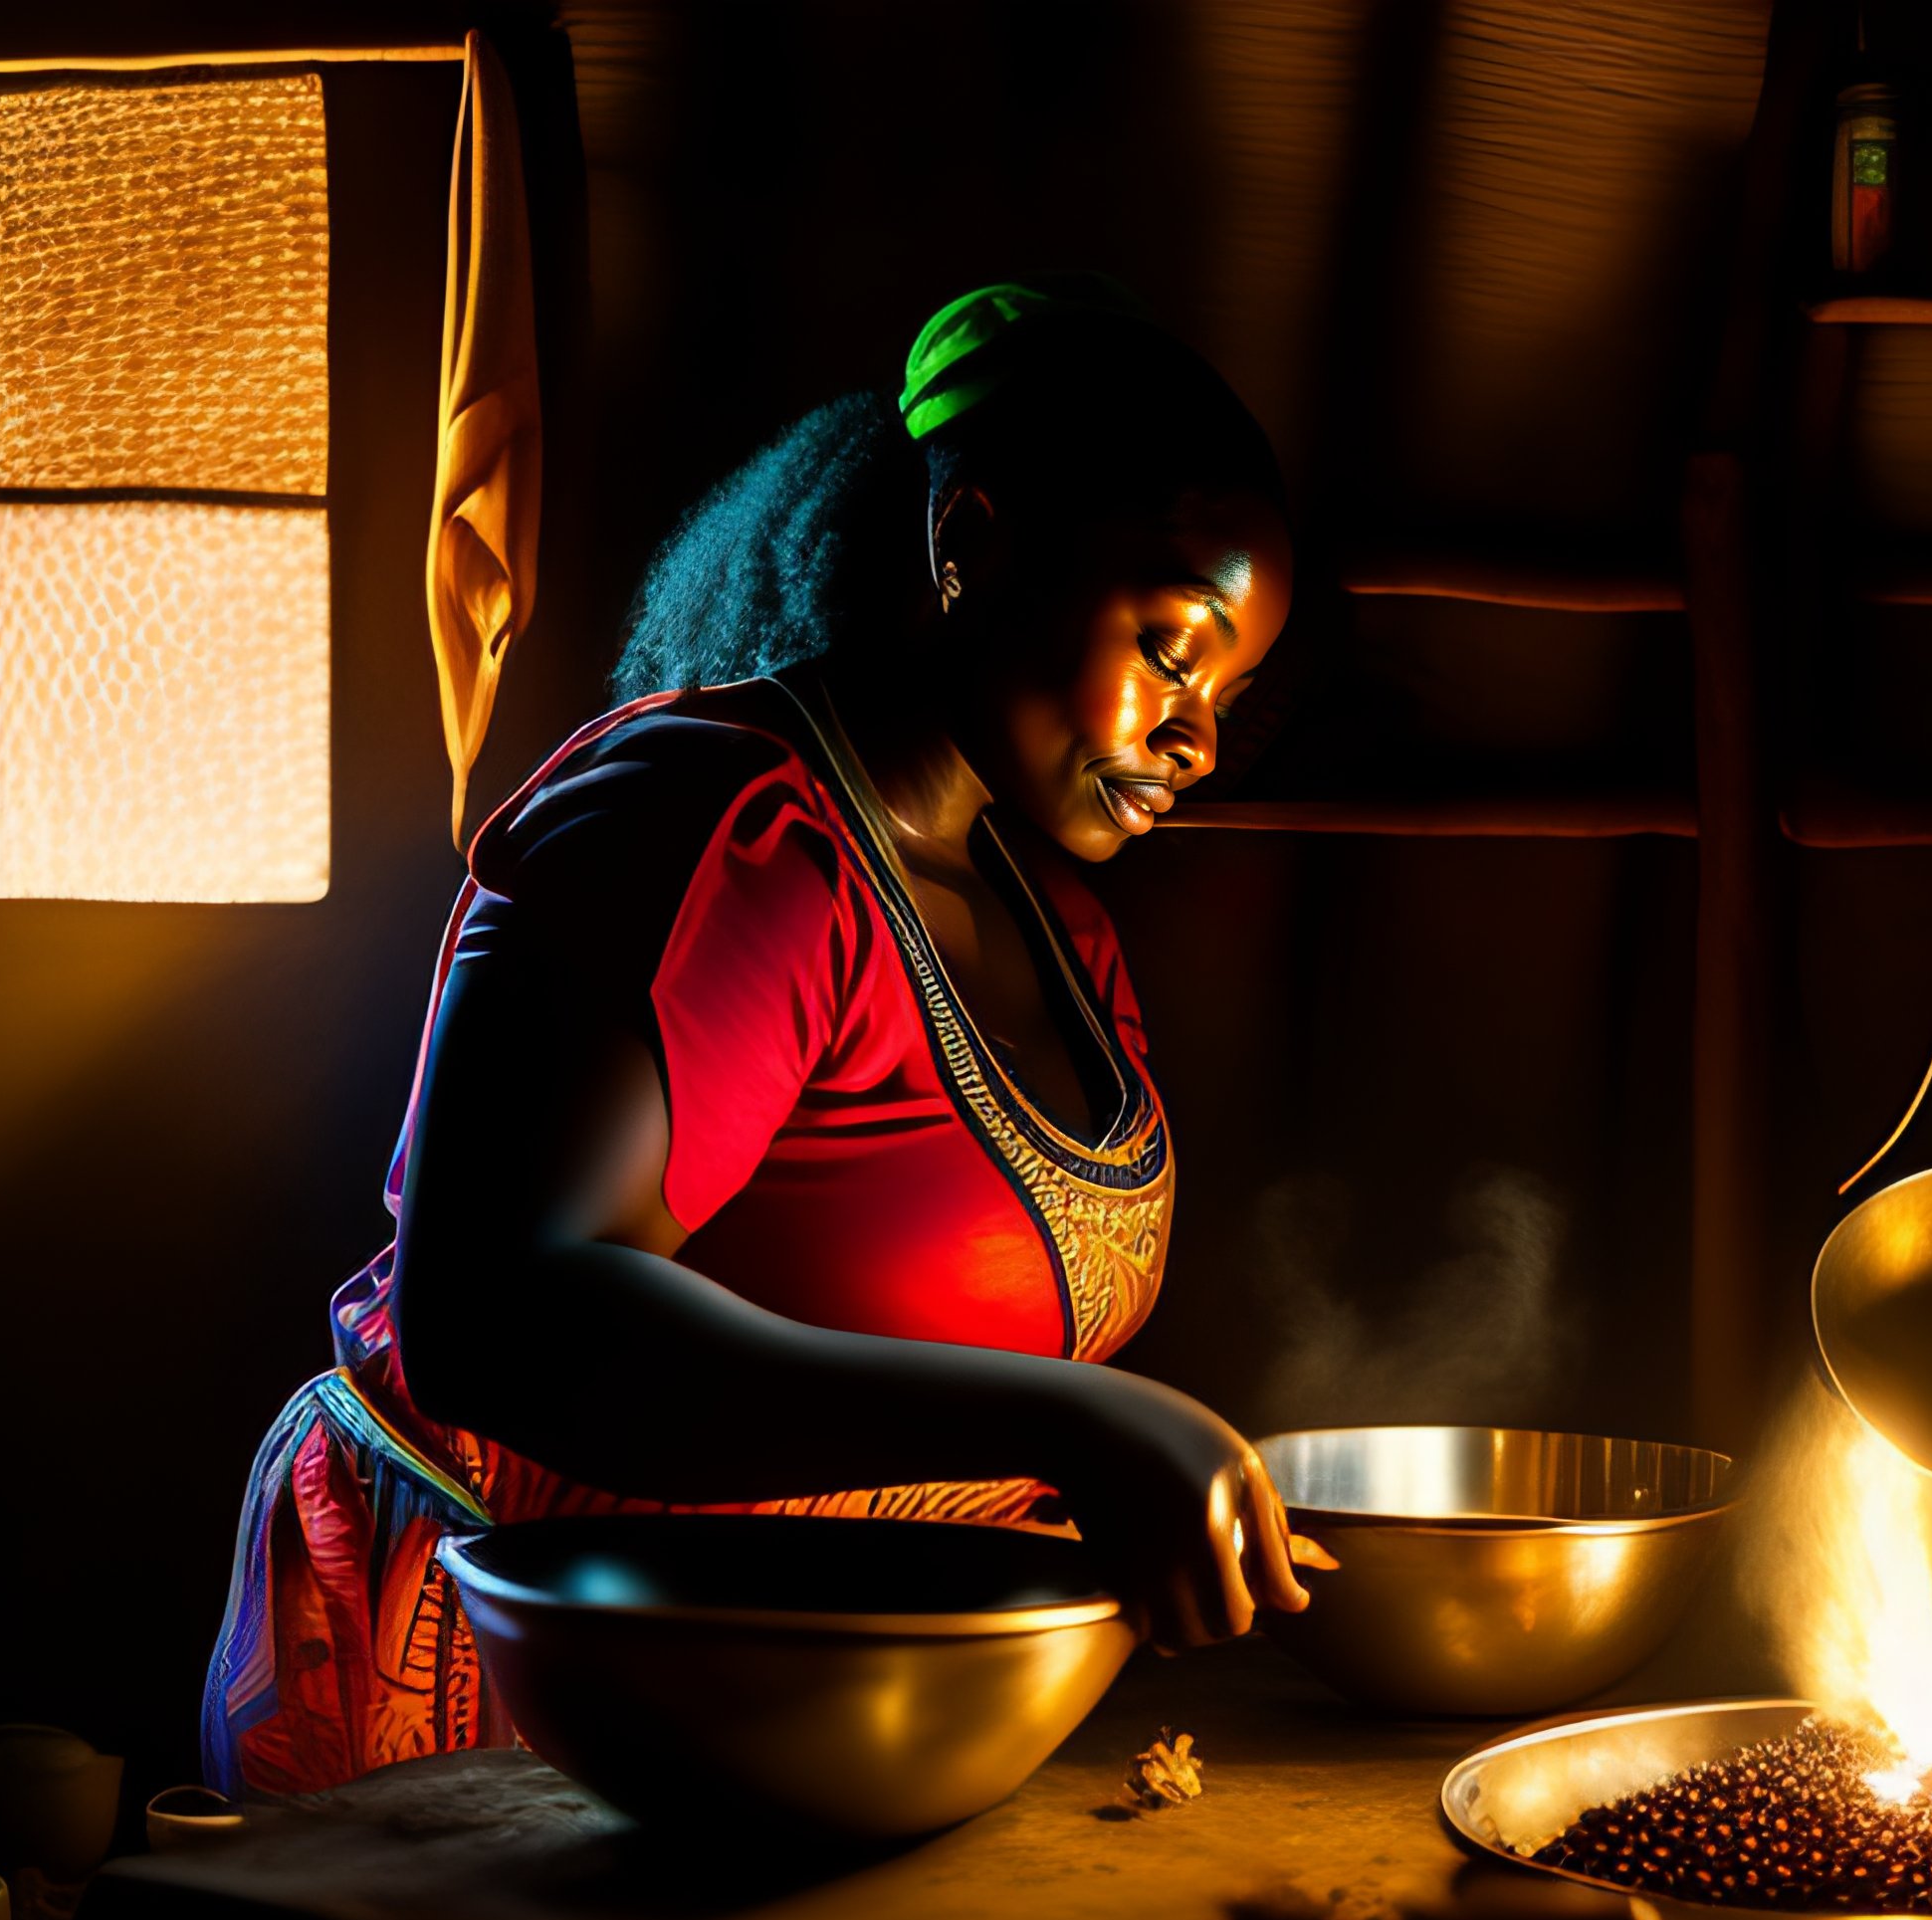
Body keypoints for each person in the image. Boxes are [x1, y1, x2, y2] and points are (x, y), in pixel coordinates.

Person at [202, 283, 1320, 1795]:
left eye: (1232, 694)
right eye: (1174, 649)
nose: (1197, 738)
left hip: (821, 1715)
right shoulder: (716, 832)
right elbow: (501, 1319)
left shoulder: (1052, 926)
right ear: (973, 543)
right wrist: (1081, 1424)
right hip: (540, 1700)